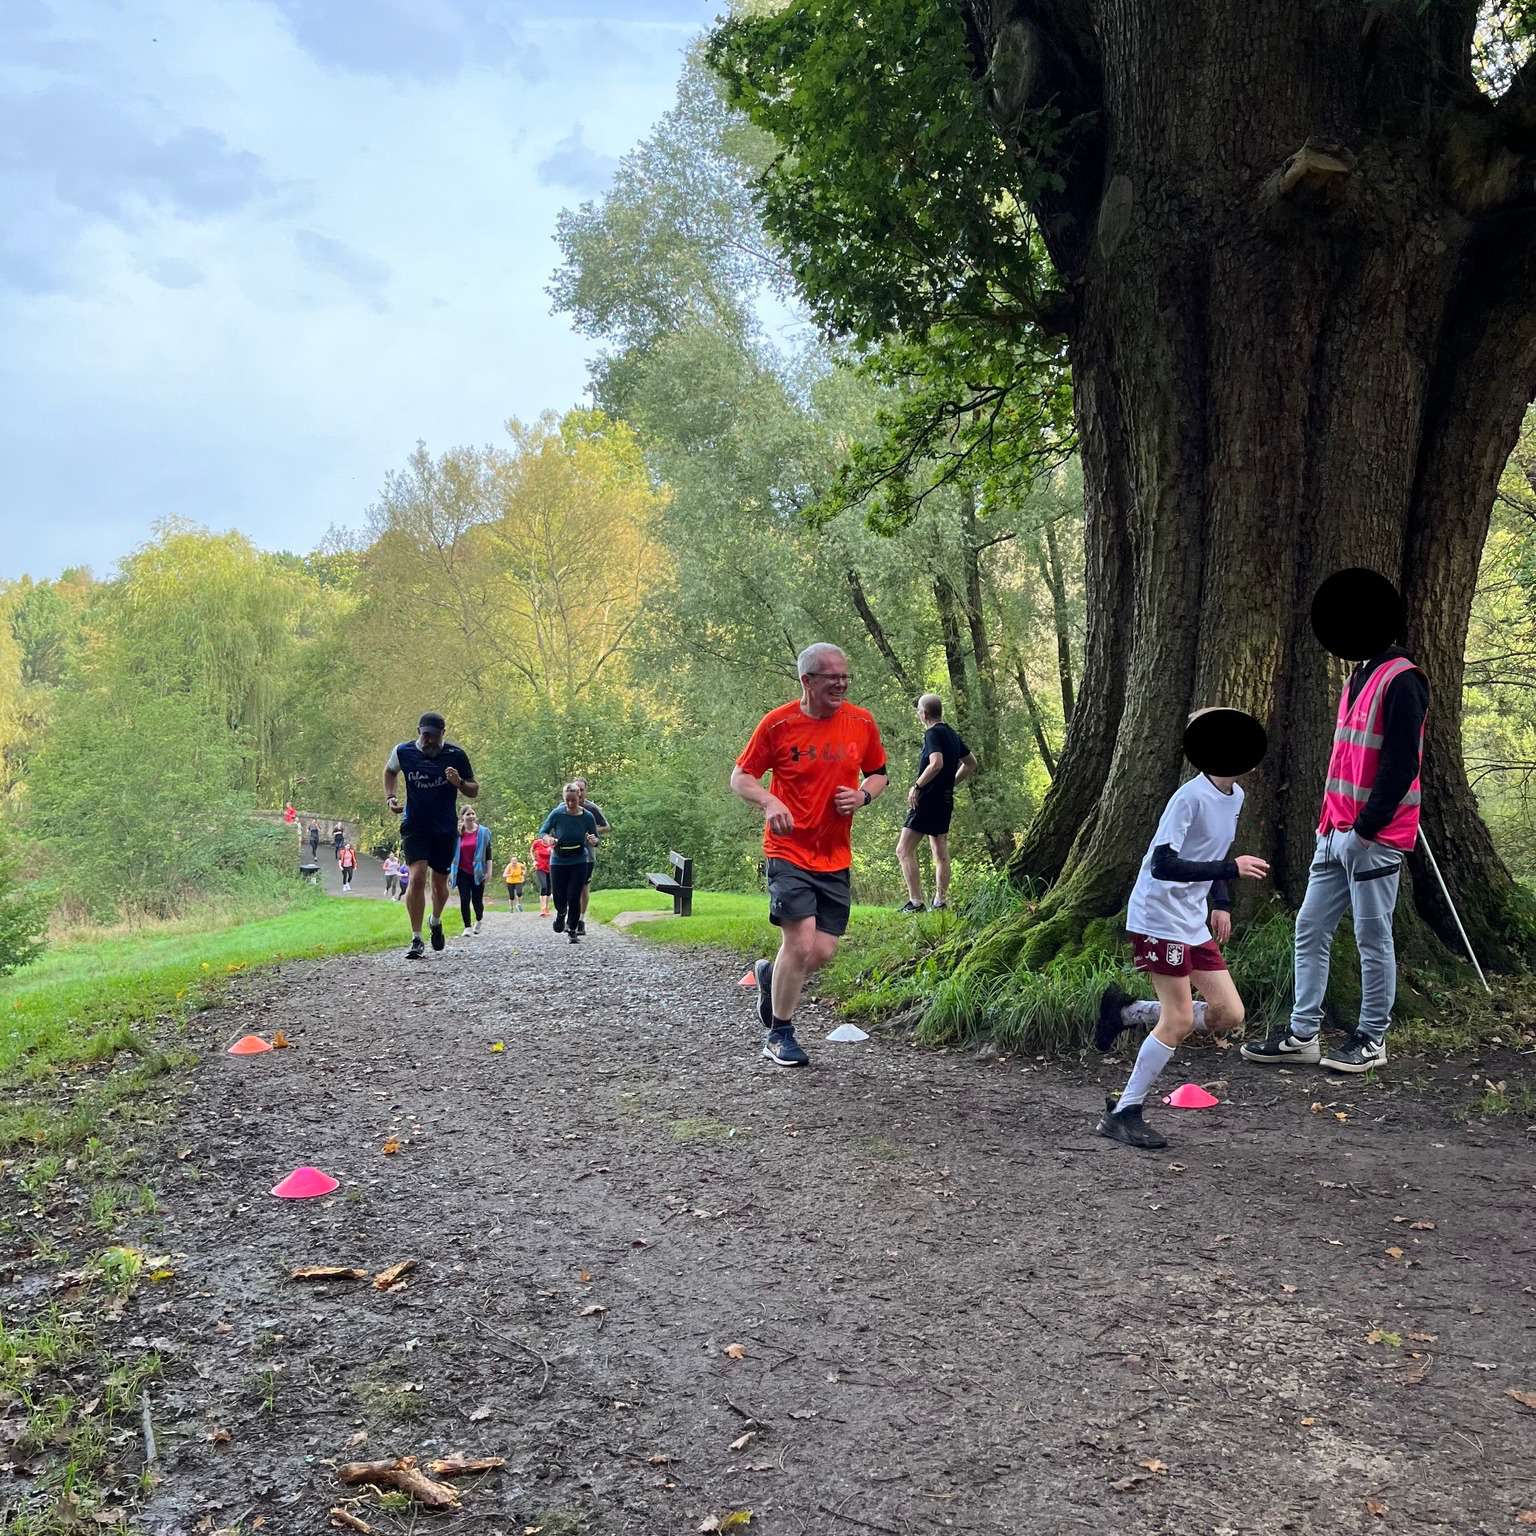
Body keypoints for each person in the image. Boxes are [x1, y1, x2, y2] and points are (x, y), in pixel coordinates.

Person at [1243, 570, 1428, 1075]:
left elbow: (1400, 764)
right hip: (1333, 832)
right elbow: (1347, 760)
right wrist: (1331, 827)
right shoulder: (1356, 676)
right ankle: (1303, 1034)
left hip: (1373, 836)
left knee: (1373, 937)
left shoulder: (1403, 679)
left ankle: (1372, 1038)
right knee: (1310, 927)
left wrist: (1366, 829)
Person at [1094, 709, 1270, 1149]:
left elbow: (1212, 852)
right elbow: (1165, 863)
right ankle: (1123, 1112)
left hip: (1191, 920)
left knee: (1229, 1014)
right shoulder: (1187, 798)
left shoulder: (1236, 796)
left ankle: (1129, 1013)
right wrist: (1231, 868)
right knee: (1177, 1020)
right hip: (1157, 916)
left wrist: (1221, 902)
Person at [731, 642, 889, 1067]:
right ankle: (778, 1035)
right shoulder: (778, 724)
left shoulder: (861, 722)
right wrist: (768, 802)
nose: (840, 684)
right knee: (798, 943)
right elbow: (741, 776)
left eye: (844, 676)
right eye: (831, 677)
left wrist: (861, 796)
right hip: (788, 850)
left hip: (834, 854)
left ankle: (769, 976)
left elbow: (879, 774)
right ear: (807, 680)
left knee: (820, 952)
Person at [385, 711, 478, 960]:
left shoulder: (455, 755)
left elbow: (473, 790)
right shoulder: (403, 752)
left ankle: (435, 921)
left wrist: (458, 782)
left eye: (434, 737)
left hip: (445, 828)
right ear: (419, 732)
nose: (429, 741)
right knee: (416, 877)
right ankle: (416, 938)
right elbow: (390, 772)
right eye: (425, 736)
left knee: (439, 883)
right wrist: (391, 797)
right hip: (415, 824)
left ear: (442, 735)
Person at [896, 693, 977, 913]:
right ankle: (940, 901)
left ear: (924, 714)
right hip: (944, 799)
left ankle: (915, 903)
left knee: (903, 850)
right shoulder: (951, 733)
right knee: (940, 851)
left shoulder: (932, 733)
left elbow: (936, 763)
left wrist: (917, 786)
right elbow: (971, 763)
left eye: (918, 711)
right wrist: (950, 782)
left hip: (928, 799)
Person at [539, 784, 598, 943]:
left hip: (579, 859)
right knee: (559, 896)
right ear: (564, 798)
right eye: (567, 800)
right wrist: (548, 839)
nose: (570, 804)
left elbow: (595, 836)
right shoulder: (557, 814)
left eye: (573, 800)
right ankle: (560, 914)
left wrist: (593, 840)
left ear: (579, 797)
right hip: (558, 860)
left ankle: (572, 930)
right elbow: (543, 831)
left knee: (574, 895)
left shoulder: (587, 816)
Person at [448, 807, 493, 934]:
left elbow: (488, 853)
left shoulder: (483, 832)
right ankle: (467, 926)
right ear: (462, 817)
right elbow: (450, 853)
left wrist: (489, 872)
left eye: (473, 813)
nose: (471, 816)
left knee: (477, 900)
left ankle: (479, 919)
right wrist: (449, 872)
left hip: (478, 871)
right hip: (461, 871)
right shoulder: (457, 833)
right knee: (464, 898)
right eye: (468, 814)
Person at [573, 779, 608, 935]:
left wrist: (591, 831)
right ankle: (571, 917)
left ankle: (580, 920)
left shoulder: (592, 808)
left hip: (587, 855)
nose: (579, 793)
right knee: (571, 887)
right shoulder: (564, 807)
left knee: (583, 888)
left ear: (586, 791)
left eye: (581, 789)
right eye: (576, 789)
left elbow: (607, 826)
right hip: (568, 854)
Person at [530, 833, 552, 918]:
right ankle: (542, 908)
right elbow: (531, 850)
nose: (546, 840)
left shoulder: (552, 844)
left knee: (549, 888)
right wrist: (534, 860)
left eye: (548, 838)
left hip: (550, 867)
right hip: (540, 867)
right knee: (544, 886)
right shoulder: (537, 843)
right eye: (544, 838)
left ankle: (546, 908)